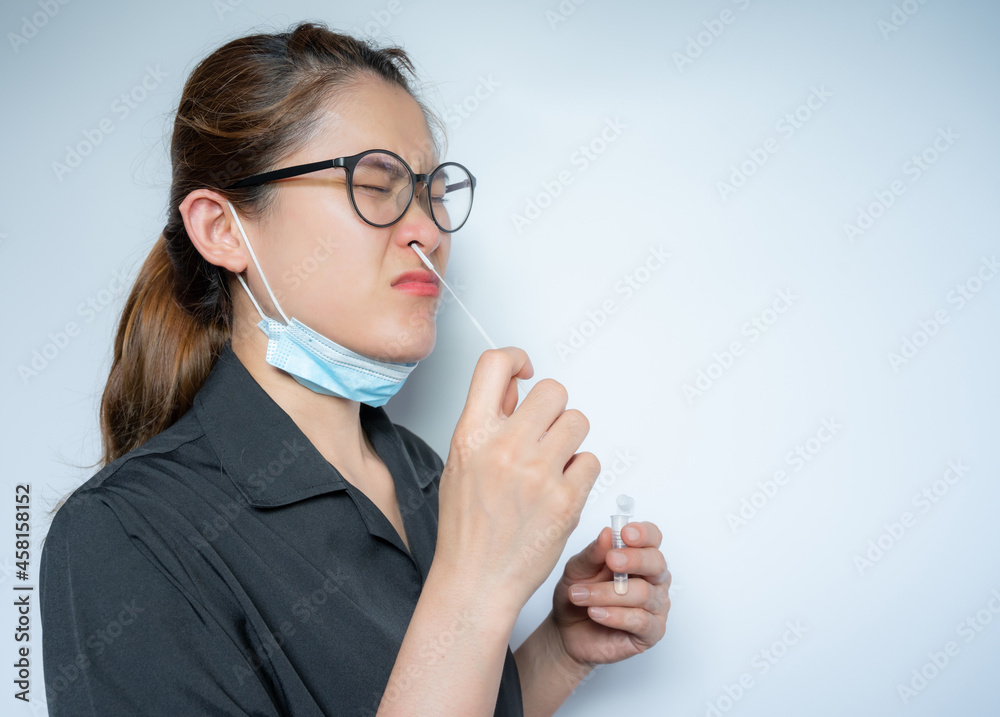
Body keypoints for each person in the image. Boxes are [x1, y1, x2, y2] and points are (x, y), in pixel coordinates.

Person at [38, 21, 671, 717]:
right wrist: (478, 583)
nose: (428, 229)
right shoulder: (124, 536)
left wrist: (560, 649)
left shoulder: (433, 474)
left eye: (432, 192)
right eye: (376, 184)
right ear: (223, 229)